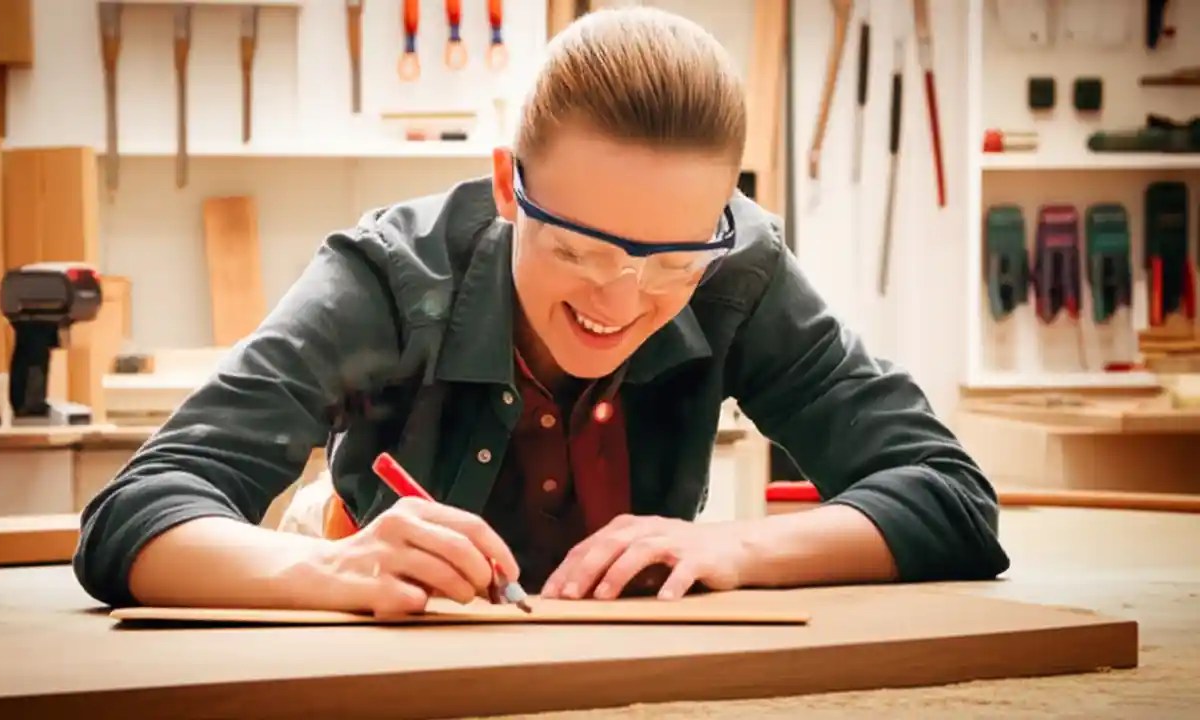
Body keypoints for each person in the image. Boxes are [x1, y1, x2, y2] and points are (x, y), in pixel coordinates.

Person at [74, 7, 1009, 617]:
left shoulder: (742, 267)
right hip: (386, 675)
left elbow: (952, 500)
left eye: (669, 268)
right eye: (579, 249)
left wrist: (737, 546)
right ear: (507, 186)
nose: (616, 302)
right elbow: (133, 513)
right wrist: (333, 572)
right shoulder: (388, 277)